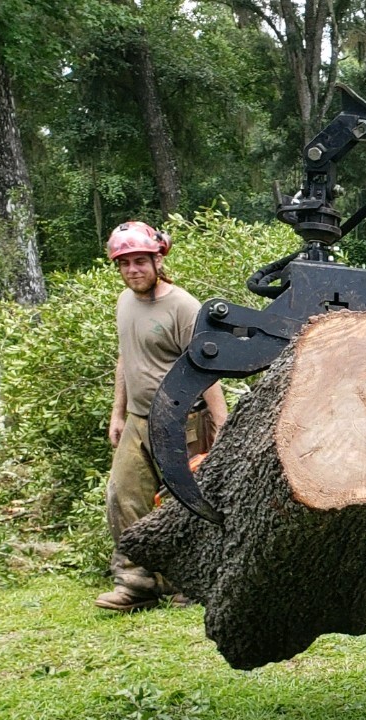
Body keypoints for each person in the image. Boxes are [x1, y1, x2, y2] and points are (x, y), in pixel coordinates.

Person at [96, 221, 228, 612]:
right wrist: (117, 414)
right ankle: (135, 584)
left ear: (158, 260)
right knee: (124, 496)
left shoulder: (182, 306)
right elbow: (126, 358)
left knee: (183, 501)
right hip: (138, 418)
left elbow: (207, 365)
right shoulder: (125, 301)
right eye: (125, 263)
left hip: (182, 418)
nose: (133, 270)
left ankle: (190, 582)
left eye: (140, 261)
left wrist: (221, 425)